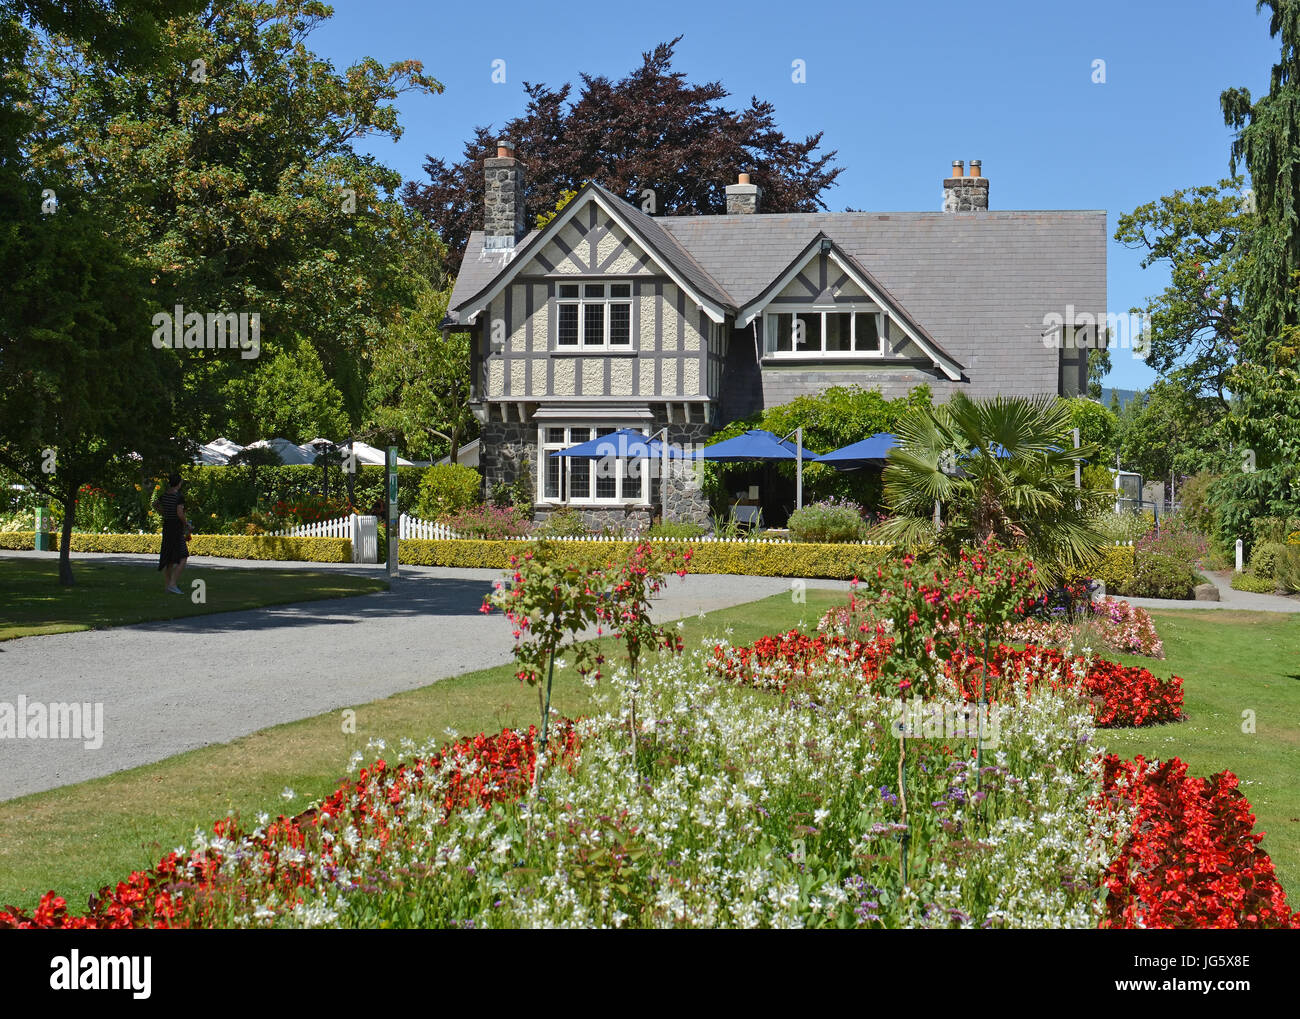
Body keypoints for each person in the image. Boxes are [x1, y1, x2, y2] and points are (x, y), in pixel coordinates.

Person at [155, 474, 189, 594]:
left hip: (167, 526)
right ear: (179, 483)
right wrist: (186, 524)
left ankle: (167, 585)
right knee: (184, 555)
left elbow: (155, 504)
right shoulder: (178, 496)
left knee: (168, 557)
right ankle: (173, 583)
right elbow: (180, 513)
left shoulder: (165, 495)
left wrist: (164, 512)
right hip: (176, 527)